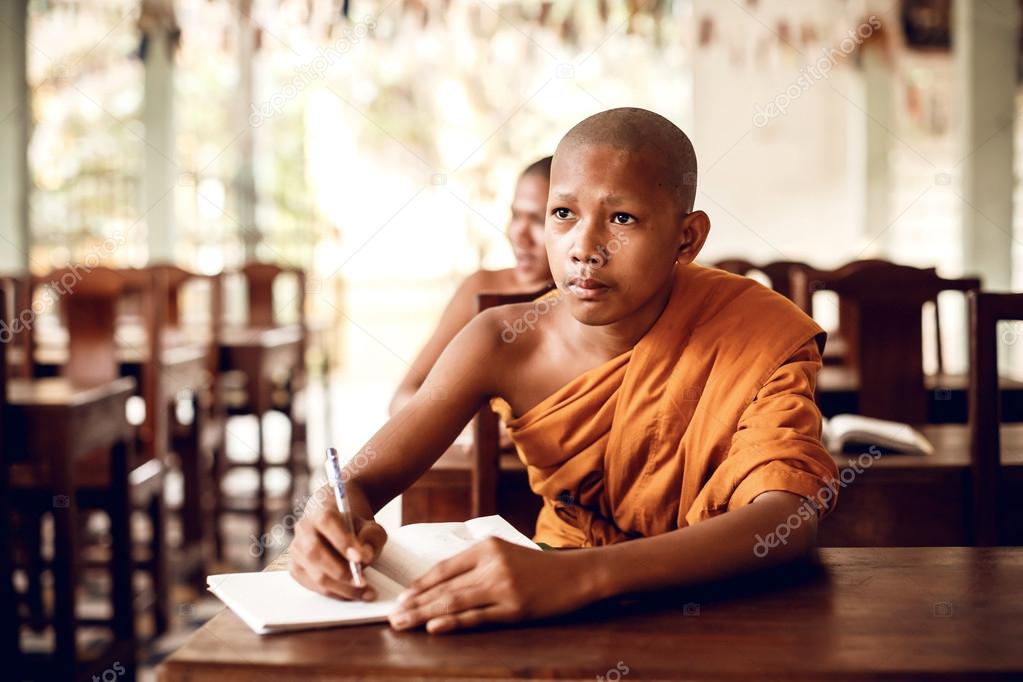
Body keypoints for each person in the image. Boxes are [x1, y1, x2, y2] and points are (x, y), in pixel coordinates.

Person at [290, 107, 839, 634]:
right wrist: (329, 517)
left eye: (622, 218)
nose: (584, 249)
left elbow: (786, 521)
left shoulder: (757, 331)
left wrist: (584, 576)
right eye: (563, 214)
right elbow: (360, 479)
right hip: (551, 607)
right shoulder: (502, 342)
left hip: (720, 606)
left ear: (687, 237)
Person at [389, 156, 553, 415]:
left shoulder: (591, 305)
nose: (518, 234)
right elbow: (404, 398)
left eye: (538, 220)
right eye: (515, 215)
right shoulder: (482, 287)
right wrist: (480, 431)